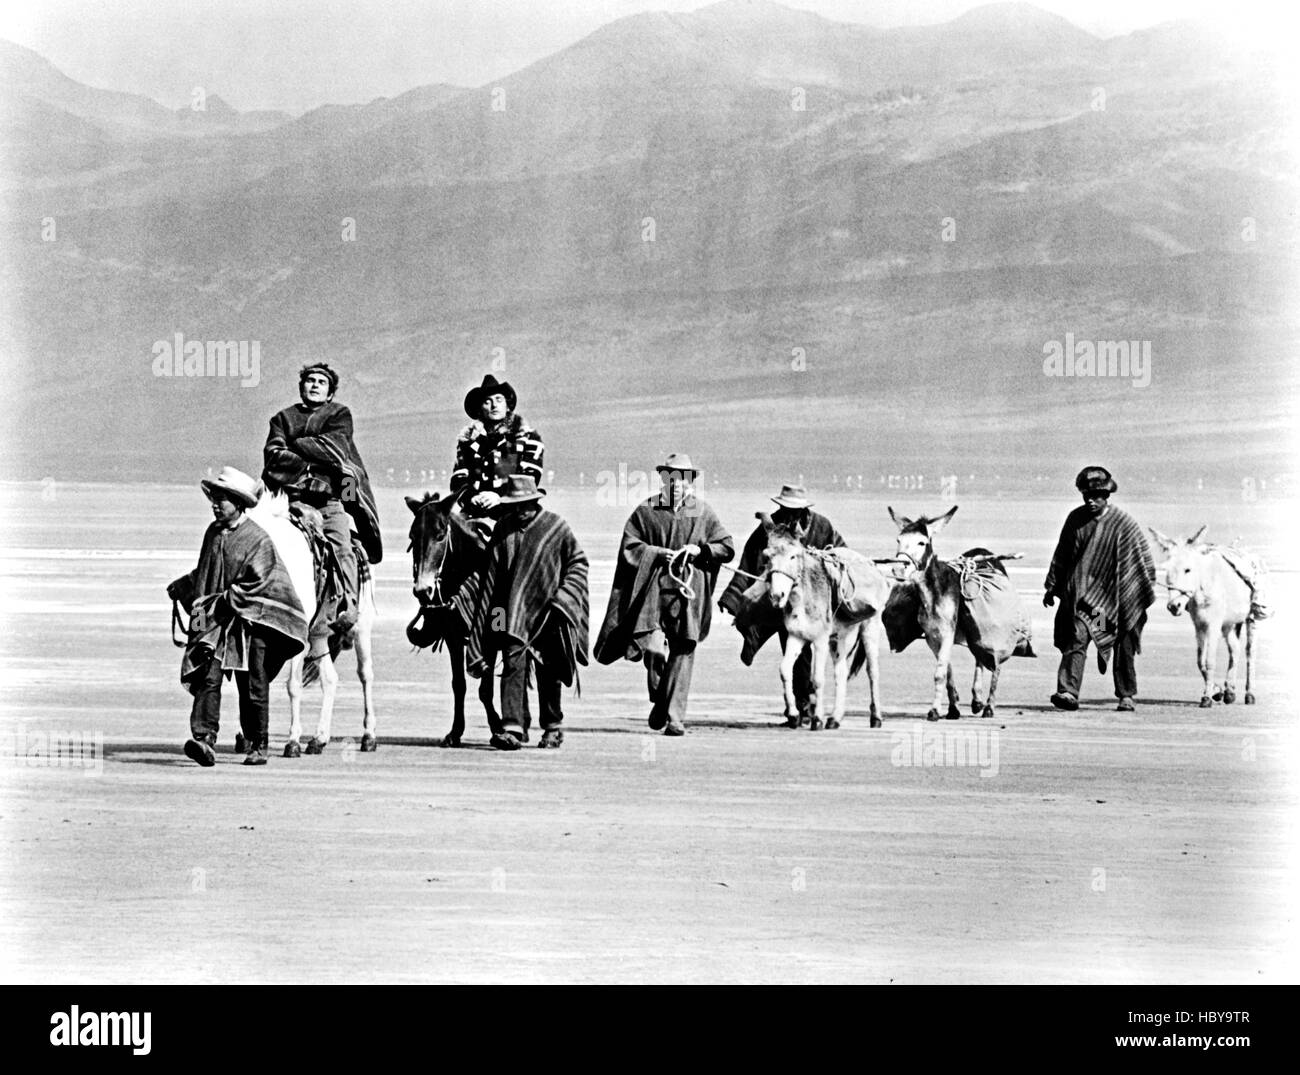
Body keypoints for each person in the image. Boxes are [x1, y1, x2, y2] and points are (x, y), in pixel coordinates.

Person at [167, 467, 309, 766]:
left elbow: (266, 582)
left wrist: (230, 599)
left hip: (250, 622)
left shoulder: (258, 540)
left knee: (253, 684)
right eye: (214, 499)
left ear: (238, 502)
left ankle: (258, 744)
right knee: (209, 676)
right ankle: (204, 739)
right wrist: (184, 586)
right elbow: (207, 573)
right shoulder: (213, 533)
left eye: (222, 499)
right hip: (216, 622)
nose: (216, 505)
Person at [594, 454, 734, 736]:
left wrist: (700, 550)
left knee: (683, 649)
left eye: (682, 479)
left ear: (691, 482)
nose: (677, 484)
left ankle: (674, 717)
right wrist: (657, 554)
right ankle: (659, 699)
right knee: (655, 649)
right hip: (654, 591)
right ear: (663, 479)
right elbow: (630, 546)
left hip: (689, 593)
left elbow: (726, 547)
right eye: (671, 478)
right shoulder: (646, 510)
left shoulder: (703, 512)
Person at [453, 475, 589, 750]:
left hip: (549, 614)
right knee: (512, 665)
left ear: (535, 500)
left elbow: (578, 562)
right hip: (513, 612)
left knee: (548, 672)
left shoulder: (556, 528)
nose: (520, 510)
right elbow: (491, 575)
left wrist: (564, 597)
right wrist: (488, 620)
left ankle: (552, 727)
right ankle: (513, 728)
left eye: (525, 504)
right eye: (515, 505)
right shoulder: (504, 528)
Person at [262, 364, 382, 636]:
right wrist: (310, 449)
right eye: (310, 381)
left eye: (321, 382)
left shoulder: (339, 414)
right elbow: (272, 456)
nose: (315, 385)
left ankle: (347, 606)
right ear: (301, 387)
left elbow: (336, 451)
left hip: (329, 502)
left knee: (341, 546)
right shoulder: (282, 418)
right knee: (256, 541)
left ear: (329, 393)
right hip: (290, 502)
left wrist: (294, 446)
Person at [718, 484, 845, 726]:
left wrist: (820, 558)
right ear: (780, 507)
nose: (791, 514)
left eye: (796, 509)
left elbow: (840, 552)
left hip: (813, 604)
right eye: (787, 509)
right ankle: (799, 706)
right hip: (779, 599)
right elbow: (749, 560)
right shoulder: (770, 529)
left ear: (804, 509)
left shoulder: (821, 525)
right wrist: (732, 599)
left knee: (801, 652)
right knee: (791, 648)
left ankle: (802, 706)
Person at [1043, 466, 1155, 712]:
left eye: (1096, 496)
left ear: (1107, 495)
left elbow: (1141, 564)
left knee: (1122, 644)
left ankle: (1126, 695)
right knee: (1077, 637)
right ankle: (1068, 692)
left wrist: (1132, 594)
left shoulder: (1124, 524)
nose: (1091, 501)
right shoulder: (1075, 519)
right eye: (1087, 496)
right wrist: (1052, 586)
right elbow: (1062, 554)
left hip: (1116, 606)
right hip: (1086, 604)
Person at [450, 374, 545, 517]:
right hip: (475, 512)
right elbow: (459, 479)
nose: (494, 405)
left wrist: (498, 497)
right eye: (487, 402)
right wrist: (472, 497)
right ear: (480, 409)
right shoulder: (467, 442)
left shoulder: (528, 438)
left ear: (507, 406)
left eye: (499, 400)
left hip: (516, 512)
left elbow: (530, 478)